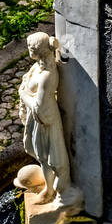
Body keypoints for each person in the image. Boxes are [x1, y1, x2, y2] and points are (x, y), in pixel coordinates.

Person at [17, 32, 73, 203]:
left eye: (30, 47)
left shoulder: (47, 76)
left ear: (39, 50)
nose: (28, 50)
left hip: (45, 121)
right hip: (36, 120)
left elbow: (39, 107)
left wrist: (22, 93)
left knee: (49, 157)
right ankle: (49, 188)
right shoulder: (37, 68)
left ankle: (50, 191)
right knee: (41, 156)